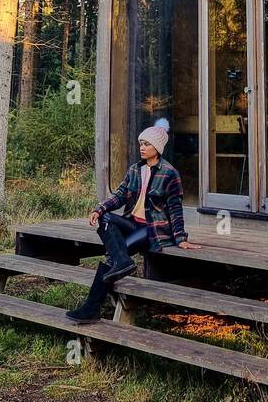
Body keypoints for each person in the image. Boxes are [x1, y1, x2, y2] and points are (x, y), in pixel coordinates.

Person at [65, 124, 192, 324]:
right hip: (133, 222)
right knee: (105, 219)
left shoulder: (169, 173)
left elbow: (175, 208)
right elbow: (119, 195)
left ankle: (91, 308)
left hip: (153, 228)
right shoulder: (135, 169)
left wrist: (180, 238)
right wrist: (99, 209)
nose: (142, 148)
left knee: (111, 257)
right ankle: (121, 262)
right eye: (141, 143)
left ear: (157, 148)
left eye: (147, 144)